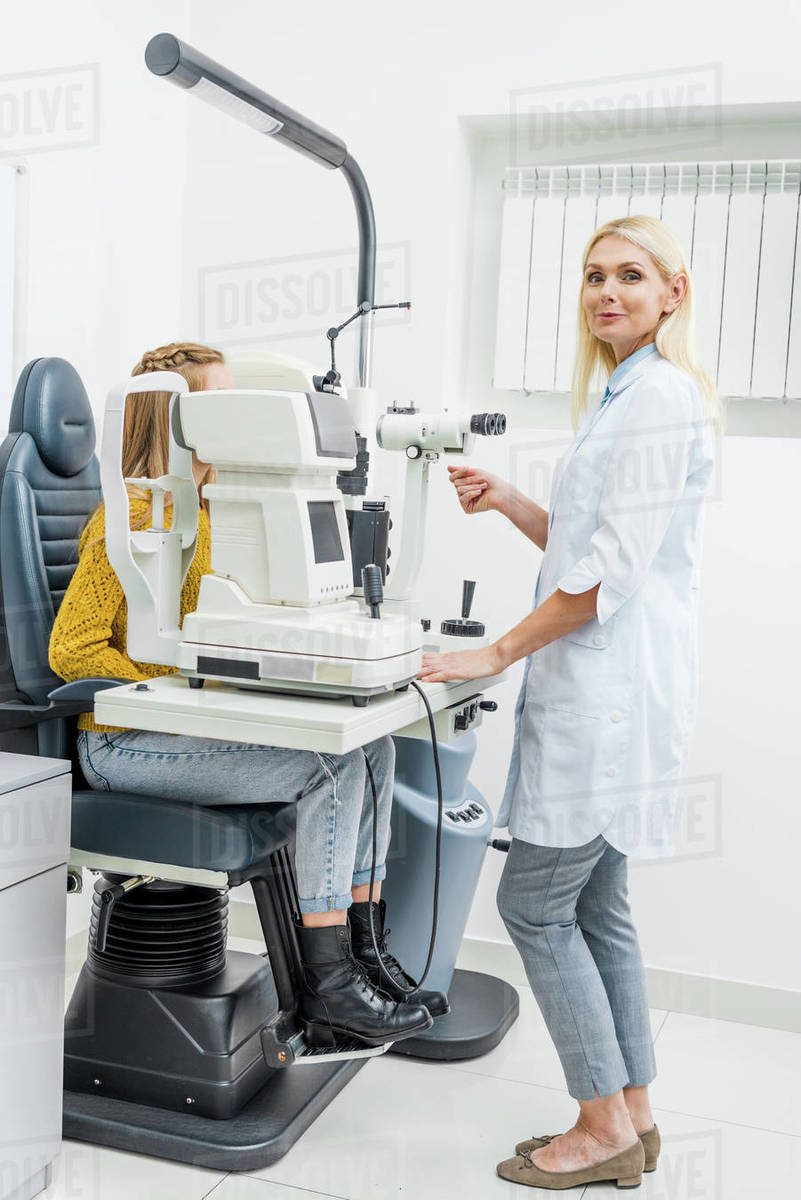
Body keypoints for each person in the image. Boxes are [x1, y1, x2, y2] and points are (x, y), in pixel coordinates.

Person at [417, 215, 720, 1191]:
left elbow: (607, 575)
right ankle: (633, 1114)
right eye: (594, 276)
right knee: (598, 904)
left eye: (630, 276)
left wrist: (496, 651)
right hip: (620, 687)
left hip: (608, 692)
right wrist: (511, 501)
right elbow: (592, 543)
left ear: (672, 292)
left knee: (535, 905)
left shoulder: (655, 398)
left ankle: (598, 1129)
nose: (607, 293)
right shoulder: (633, 392)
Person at [50, 340, 448, 1051]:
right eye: (220, 401)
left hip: (178, 729)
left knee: (375, 751)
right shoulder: (132, 515)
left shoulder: (212, 508)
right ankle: (329, 987)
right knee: (327, 767)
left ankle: (364, 954)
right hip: (121, 744)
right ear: (175, 417)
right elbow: (70, 650)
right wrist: (171, 686)